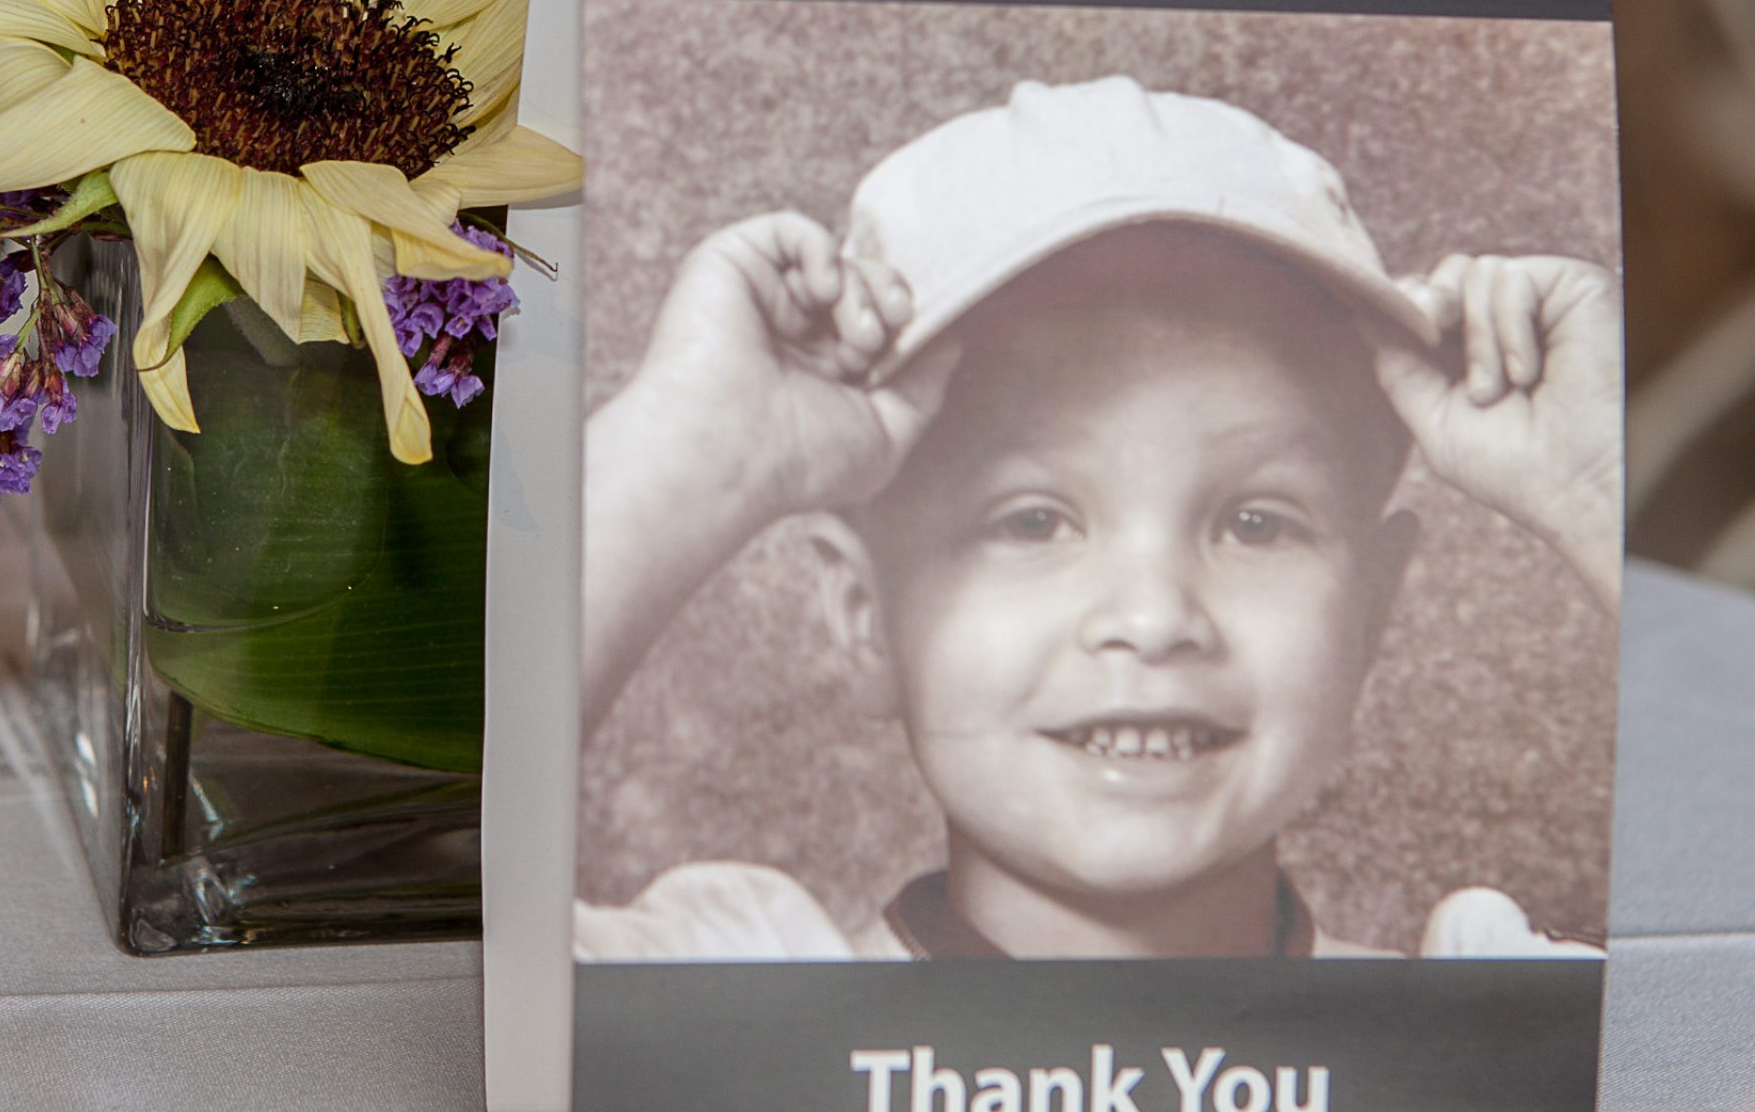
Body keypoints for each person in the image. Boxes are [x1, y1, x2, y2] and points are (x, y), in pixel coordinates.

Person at [576, 77, 1621, 962]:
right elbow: (445, 808)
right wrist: (690, 445)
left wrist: (1598, 482)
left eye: (1254, 521)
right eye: (1032, 520)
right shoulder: (730, 983)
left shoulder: (1477, 1014)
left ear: (1373, 614)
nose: (1153, 615)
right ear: (861, 613)